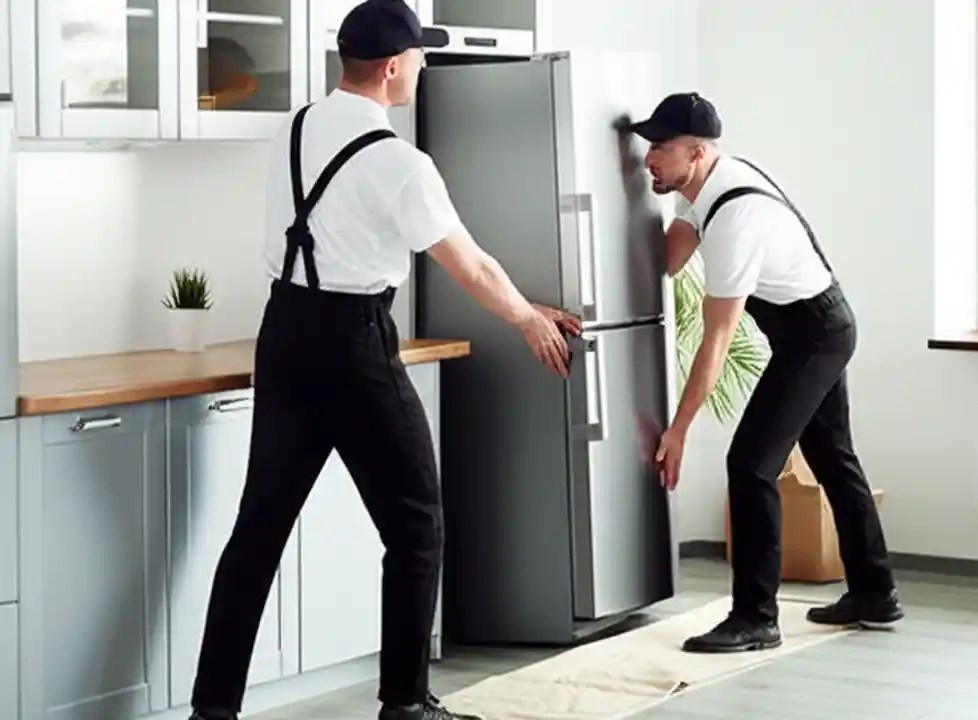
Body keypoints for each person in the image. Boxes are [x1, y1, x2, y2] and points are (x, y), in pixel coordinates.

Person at [187, 2, 578, 719]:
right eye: (421, 57)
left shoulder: (294, 127)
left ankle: (212, 711)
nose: (424, 68)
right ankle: (406, 704)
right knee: (416, 524)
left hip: (282, 335)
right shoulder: (401, 162)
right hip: (353, 344)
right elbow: (472, 267)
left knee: (257, 533)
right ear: (395, 65)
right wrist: (526, 317)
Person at [625, 92, 903, 653]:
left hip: (815, 335)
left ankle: (755, 618)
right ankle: (876, 594)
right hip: (817, 326)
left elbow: (718, 341)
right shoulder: (706, 187)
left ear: (696, 152)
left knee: (750, 465)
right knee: (833, 459)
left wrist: (677, 430)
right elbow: (668, 260)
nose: (647, 158)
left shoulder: (735, 218)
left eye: (659, 147)